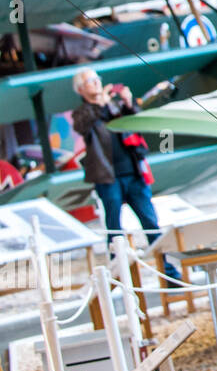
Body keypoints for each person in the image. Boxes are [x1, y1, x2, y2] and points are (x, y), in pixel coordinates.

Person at [71, 68, 182, 284]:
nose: (95, 84)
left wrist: (128, 101)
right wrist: (100, 103)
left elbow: (137, 121)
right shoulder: (82, 113)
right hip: (107, 177)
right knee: (114, 228)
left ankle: (168, 272)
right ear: (81, 89)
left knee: (151, 222)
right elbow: (84, 125)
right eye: (90, 81)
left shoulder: (116, 106)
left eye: (96, 79)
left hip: (133, 173)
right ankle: (118, 277)